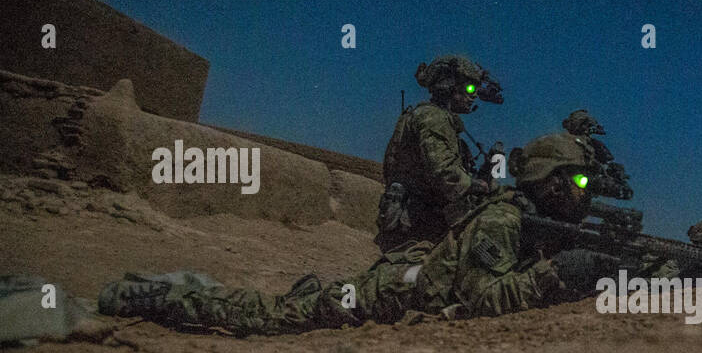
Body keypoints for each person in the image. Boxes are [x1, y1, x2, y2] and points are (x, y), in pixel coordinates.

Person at [97, 135, 607, 335]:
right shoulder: (504, 220)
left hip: (408, 278)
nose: (585, 191)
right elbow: (481, 298)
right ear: (551, 179)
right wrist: (554, 278)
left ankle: (310, 292)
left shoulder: (537, 223)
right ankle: (161, 297)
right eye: (579, 179)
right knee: (268, 318)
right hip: (386, 294)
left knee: (302, 305)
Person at [374, 54, 503, 252]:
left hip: (419, 224)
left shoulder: (438, 118)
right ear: (448, 85)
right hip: (416, 228)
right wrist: (479, 185)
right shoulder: (433, 118)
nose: (474, 95)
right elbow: (444, 173)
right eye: (469, 88)